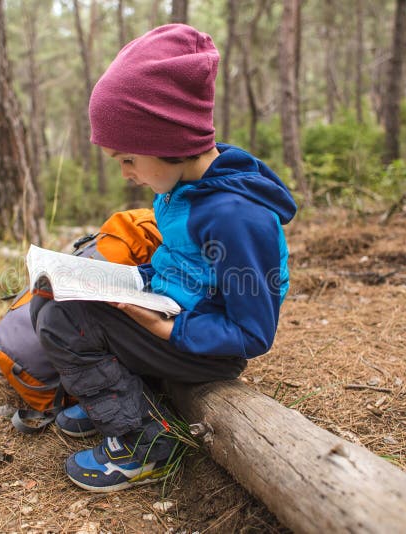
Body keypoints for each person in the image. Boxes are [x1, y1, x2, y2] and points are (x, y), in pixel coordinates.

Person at [30, 23, 297, 493]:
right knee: (48, 298)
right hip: (171, 317)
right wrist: (130, 279)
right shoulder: (182, 191)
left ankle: (142, 441)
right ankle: (115, 400)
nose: (127, 174)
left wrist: (168, 329)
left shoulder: (235, 217)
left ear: (168, 142)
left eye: (127, 159)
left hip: (204, 351)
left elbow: (253, 332)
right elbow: (181, 265)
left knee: (60, 321)